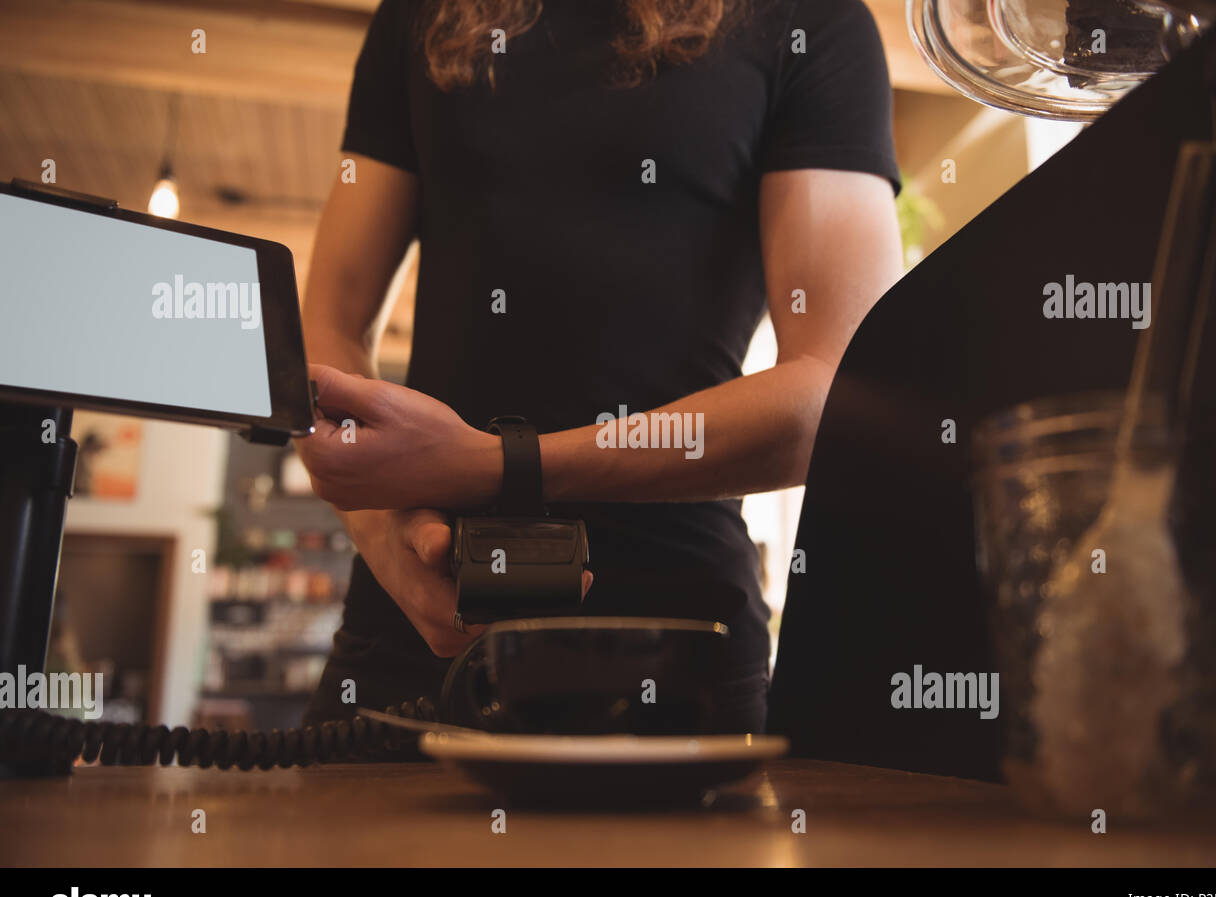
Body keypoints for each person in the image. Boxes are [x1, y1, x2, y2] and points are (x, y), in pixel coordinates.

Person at [295, 0, 903, 732]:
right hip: (419, 613)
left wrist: (500, 466)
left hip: (677, 644)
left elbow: (839, 390)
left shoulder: (811, 22)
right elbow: (326, 325)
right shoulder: (422, 14)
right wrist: (386, 536)